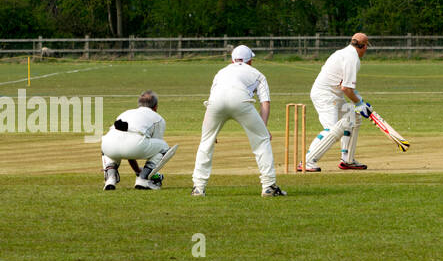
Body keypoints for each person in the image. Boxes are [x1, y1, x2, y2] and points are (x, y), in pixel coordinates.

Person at [191, 45, 285, 197]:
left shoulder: (221, 72)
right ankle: (269, 186)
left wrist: (210, 133)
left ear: (232, 59)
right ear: (250, 61)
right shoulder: (258, 74)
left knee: (206, 142)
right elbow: (265, 102)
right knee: (262, 140)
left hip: (216, 103)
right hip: (241, 100)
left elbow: (212, 100)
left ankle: (198, 187)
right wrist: (264, 127)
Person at [300, 33, 371, 172]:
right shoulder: (352, 58)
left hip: (334, 94)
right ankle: (307, 161)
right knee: (332, 129)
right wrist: (360, 104)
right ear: (362, 46)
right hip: (325, 95)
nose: (366, 49)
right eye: (366, 46)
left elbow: (343, 85)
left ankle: (348, 160)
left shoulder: (344, 53)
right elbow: (346, 88)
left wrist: (359, 101)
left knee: (353, 116)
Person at [101, 90, 177, 191]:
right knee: (164, 148)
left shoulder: (126, 113)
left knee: (108, 147)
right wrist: (141, 173)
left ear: (139, 104)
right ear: (155, 106)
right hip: (134, 145)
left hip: (108, 144)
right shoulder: (158, 118)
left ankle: (110, 179)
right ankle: (144, 179)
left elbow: (126, 146)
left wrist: (137, 170)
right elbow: (154, 147)